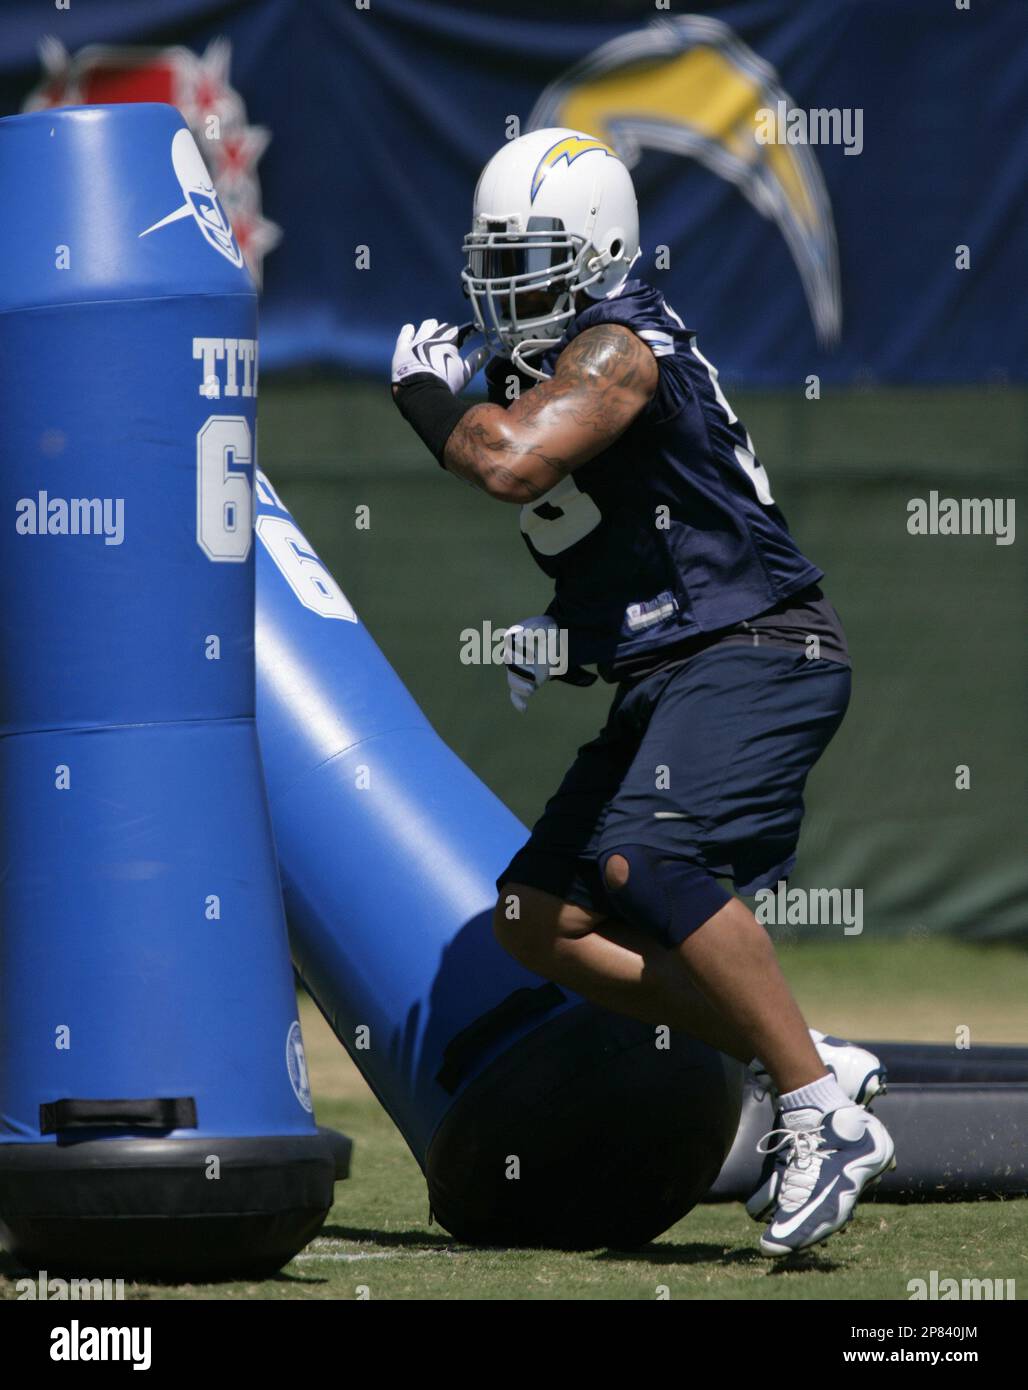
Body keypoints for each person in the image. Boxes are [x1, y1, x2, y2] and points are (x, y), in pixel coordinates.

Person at [391, 127, 895, 1256]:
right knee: (536, 916)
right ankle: (802, 1054)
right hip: (680, 662)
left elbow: (511, 462)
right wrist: (569, 628)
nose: (503, 279)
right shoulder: (567, 360)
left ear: (596, 245)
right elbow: (645, 538)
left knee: (645, 861)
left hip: (761, 648)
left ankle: (817, 1111)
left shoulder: (619, 345)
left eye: (527, 252)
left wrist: (428, 400)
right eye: (494, 254)